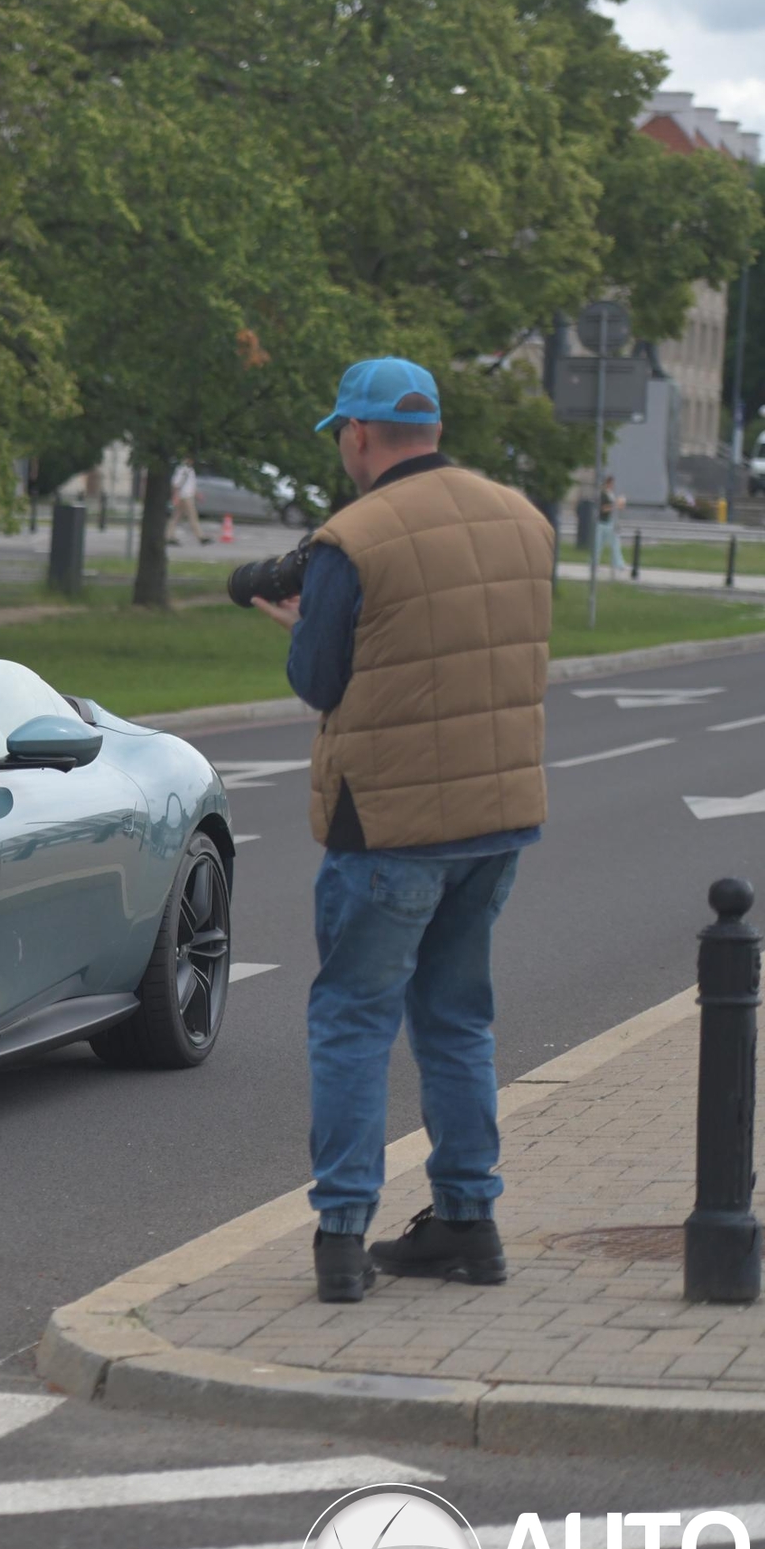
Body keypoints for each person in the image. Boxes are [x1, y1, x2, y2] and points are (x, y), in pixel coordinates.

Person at [248, 357, 554, 1304]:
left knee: (352, 1019)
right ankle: (470, 1221)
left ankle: (343, 1237)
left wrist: (296, 623)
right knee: (458, 1020)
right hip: (496, 819)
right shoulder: (523, 519)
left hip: (384, 827)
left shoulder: (354, 537)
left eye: (342, 433)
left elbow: (320, 679)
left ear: (359, 435)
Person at [594, 476, 627, 572]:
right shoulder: (603, 495)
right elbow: (604, 509)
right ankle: (594, 564)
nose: (612, 485)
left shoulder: (611, 494)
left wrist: (619, 505)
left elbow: (614, 507)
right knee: (598, 545)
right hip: (602, 523)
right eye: (611, 483)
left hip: (610, 523)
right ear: (607, 484)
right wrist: (616, 505)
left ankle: (619, 564)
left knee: (615, 544)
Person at [170, 462, 200, 545]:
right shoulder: (183, 469)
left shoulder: (190, 469)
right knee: (192, 515)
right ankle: (200, 536)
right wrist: (176, 495)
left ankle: (169, 536)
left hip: (186, 495)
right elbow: (176, 483)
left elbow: (191, 484)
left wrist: (196, 493)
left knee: (176, 516)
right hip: (185, 496)